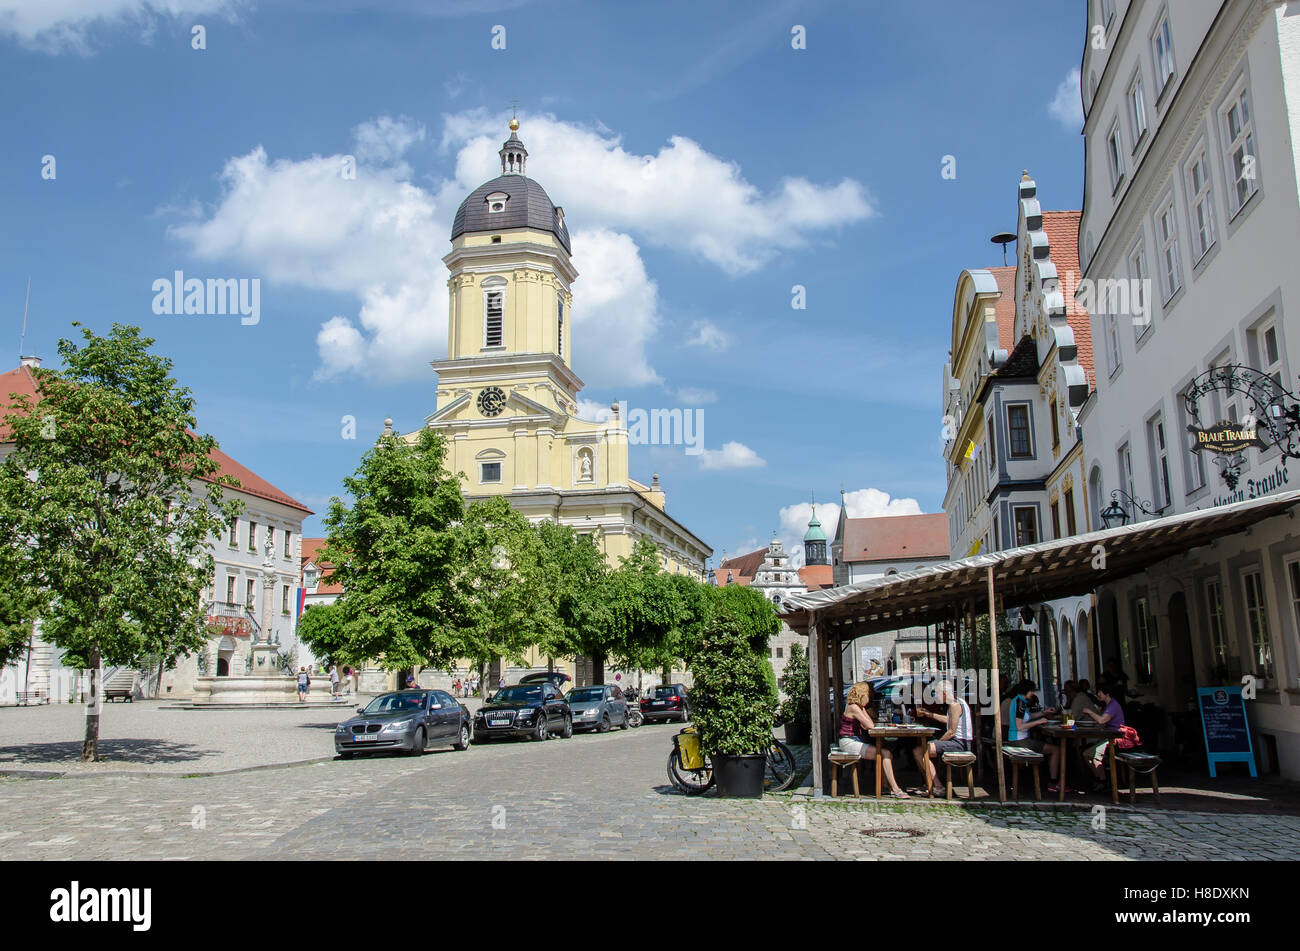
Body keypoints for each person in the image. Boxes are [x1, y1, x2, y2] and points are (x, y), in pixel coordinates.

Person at [839, 682, 909, 799]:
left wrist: (864, 709)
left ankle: (885, 786)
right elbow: (870, 725)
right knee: (885, 753)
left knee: (887, 754)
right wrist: (864, 711)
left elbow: (869, 724)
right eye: (867, 693)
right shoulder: (854, 707)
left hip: (855, 740)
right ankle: (895, 789)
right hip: (849, 742)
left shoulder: (858, 707)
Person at [912, 680, 974, 795]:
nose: (937, 696)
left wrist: (937, 743)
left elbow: (951, 732)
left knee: (920, 751)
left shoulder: (954, 706)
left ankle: (938, 786)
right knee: (920, 750)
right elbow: (948, 720)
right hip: (960, 741)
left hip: (960, 743)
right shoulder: (958, 702)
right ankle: (930, 784)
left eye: (938, 693)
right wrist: (929, 714)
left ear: (945, 693)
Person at [1002, 680, 1063, 792]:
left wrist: (1044, 712)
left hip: (1018, 738)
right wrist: (1038, 722)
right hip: (1020, 740)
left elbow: (1029, 716)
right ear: (1027, 691)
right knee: (1055, 750)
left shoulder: (1019, 701)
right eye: (1032, 691)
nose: (1033, 693)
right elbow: (1020, 726)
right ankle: (1053, 782)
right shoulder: (1020, 703)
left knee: (1051, 747)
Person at [1080, 683, 1126, 784]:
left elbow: (1101, 720)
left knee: (1089, 754)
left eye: (1100, 692)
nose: (1098, 694)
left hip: (1115, 738)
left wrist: (1089, 712)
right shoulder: (1108, 705)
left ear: (1107, 694)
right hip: (1109, 737)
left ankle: (1102, 780)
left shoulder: (1113, 705)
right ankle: (1100, 778)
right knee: (1088, 753)